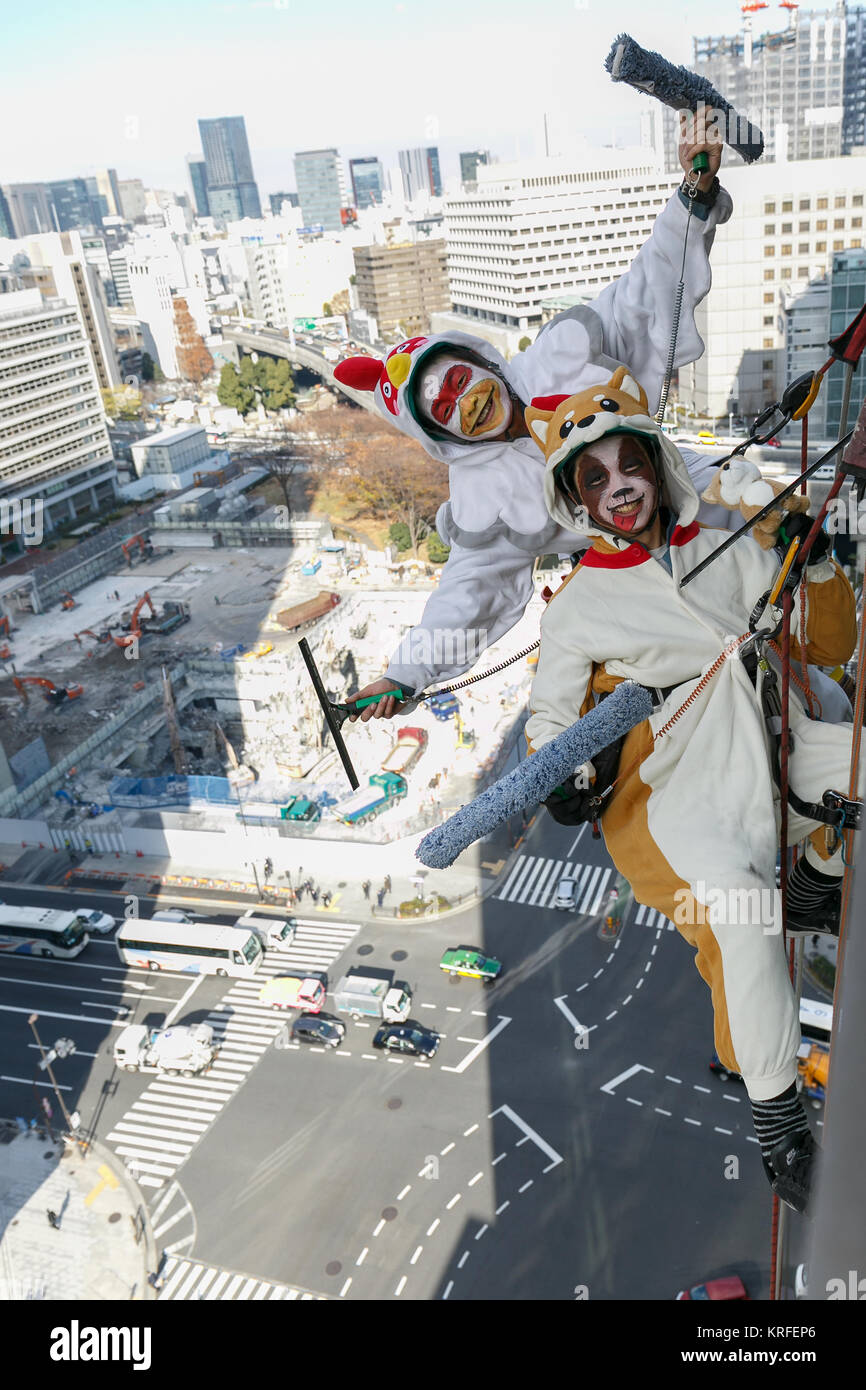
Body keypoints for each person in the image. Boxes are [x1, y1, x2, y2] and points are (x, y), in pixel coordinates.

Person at [522, 363, 858, 1215]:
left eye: (627, 465)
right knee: (745, 925)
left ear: (655, 462)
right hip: (682, 795)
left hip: (768, 749)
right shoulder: (576, 611)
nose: (618, 488)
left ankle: (816, 876)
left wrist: (805, 559)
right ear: (577, 501)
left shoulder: (722, 547)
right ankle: (781, 1125)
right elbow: (549, 721)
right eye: (593, 480)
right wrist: (565, 775)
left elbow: (821, 648)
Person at [337, 112, 734, 720]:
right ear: (441, 434)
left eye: (461, 379)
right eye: (445, 409)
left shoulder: (562, 353)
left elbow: (645, 287)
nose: (465, 400)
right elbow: (468, 594)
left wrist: (691, 195)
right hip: (620, 575)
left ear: (478, 361)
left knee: (770, 529)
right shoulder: (479, 498)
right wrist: (402, 673)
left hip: (690, 490)